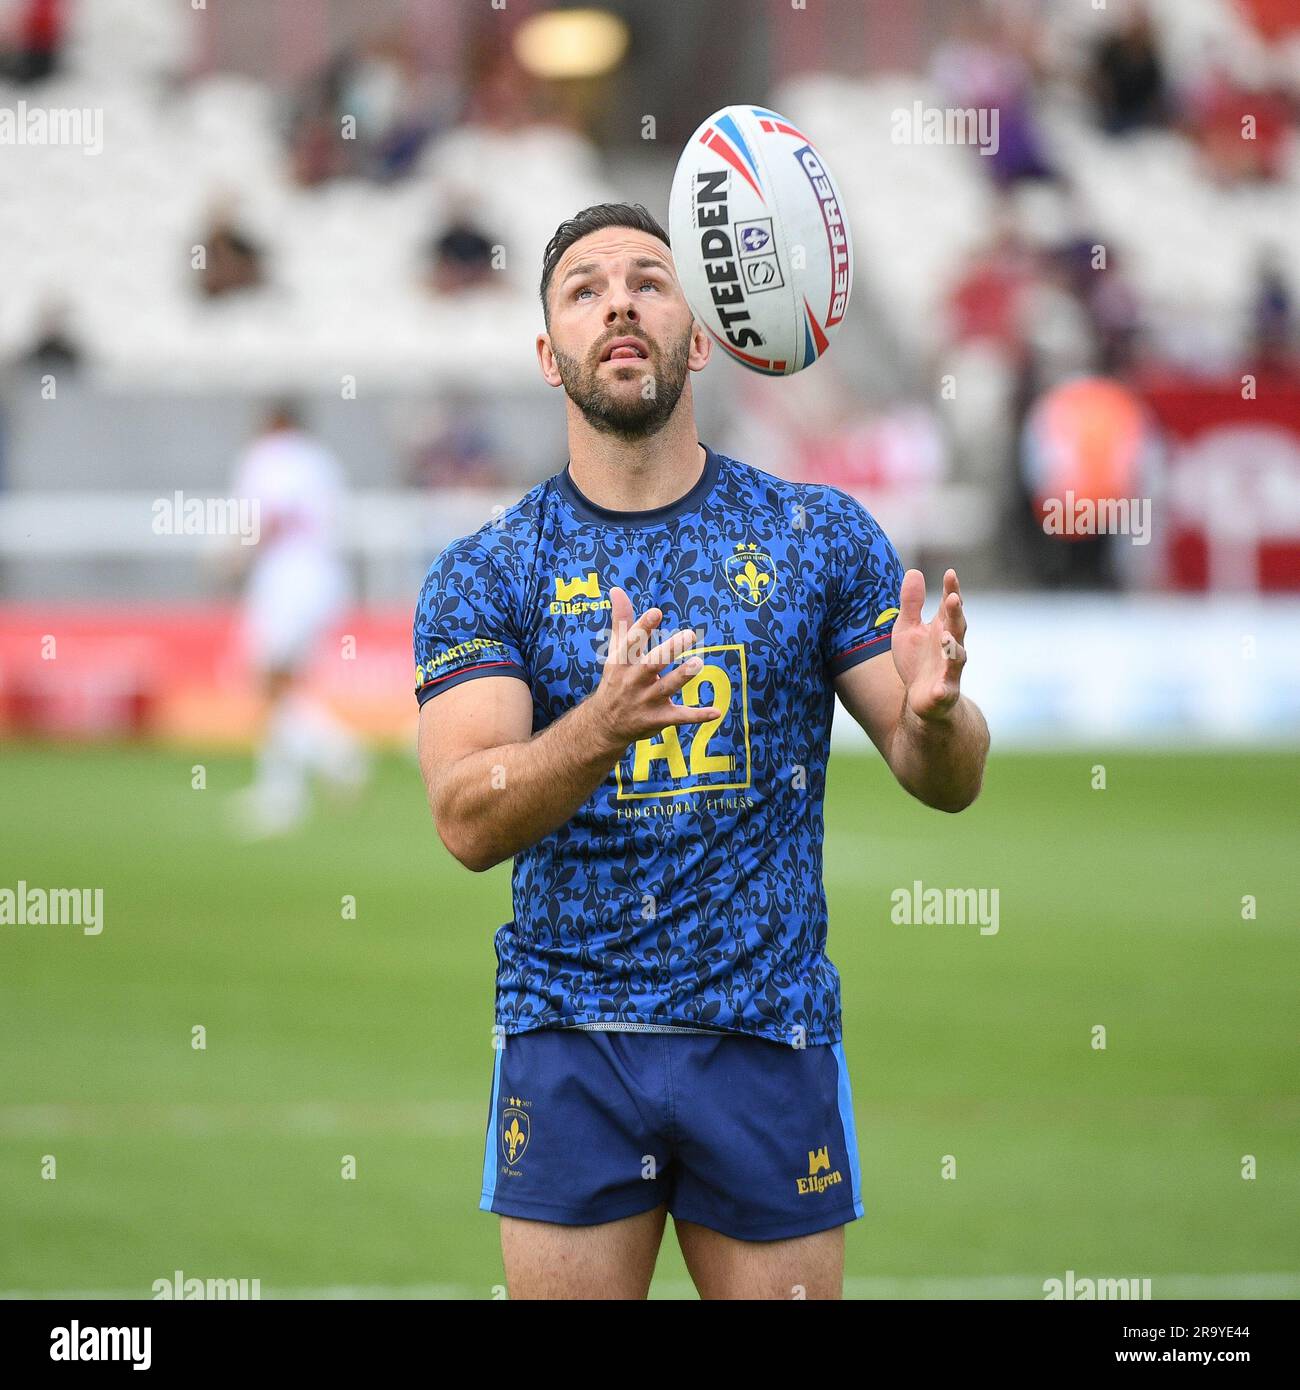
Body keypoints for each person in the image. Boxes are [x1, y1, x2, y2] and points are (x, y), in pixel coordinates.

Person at [412, 204, 989, 1299]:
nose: (619, 302)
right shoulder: (487, 569)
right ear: (548, 354)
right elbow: (463, 818)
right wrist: (600, 725)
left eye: (649, 281)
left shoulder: (815, 533)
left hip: (767, 1037)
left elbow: (947, 782)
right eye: (584, 289)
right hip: (571, 1039)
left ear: (704, 331)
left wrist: (935, 717)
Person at [230, 403, 367, 837]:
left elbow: (266, 519)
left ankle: (334, 757)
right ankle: (288, 788)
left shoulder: (268, 457)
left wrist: (232, 560)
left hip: (285, 580)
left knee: (269, 683)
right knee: (285, 684)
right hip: (323, 580)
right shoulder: (321, 460)